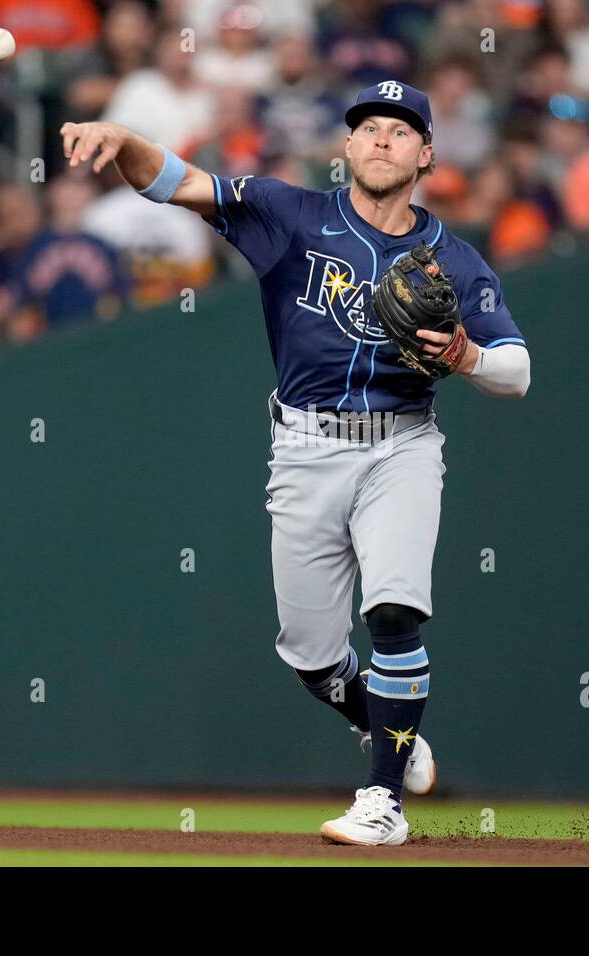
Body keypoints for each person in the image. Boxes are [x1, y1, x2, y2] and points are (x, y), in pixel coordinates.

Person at [60, 78, 531, 847]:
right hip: (304, 449)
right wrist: (121, 137)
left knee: (394, 611)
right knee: (312, 658)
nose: (382, 138)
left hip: (402, 442)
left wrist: (468, 352)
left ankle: (382, 802)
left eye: (401, 129)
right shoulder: (291, 214)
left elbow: (517, 372)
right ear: (346, 147)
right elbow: (177, 181)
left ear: (428, 155)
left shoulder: (454, 258)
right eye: (369, 127)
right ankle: (384, 729)